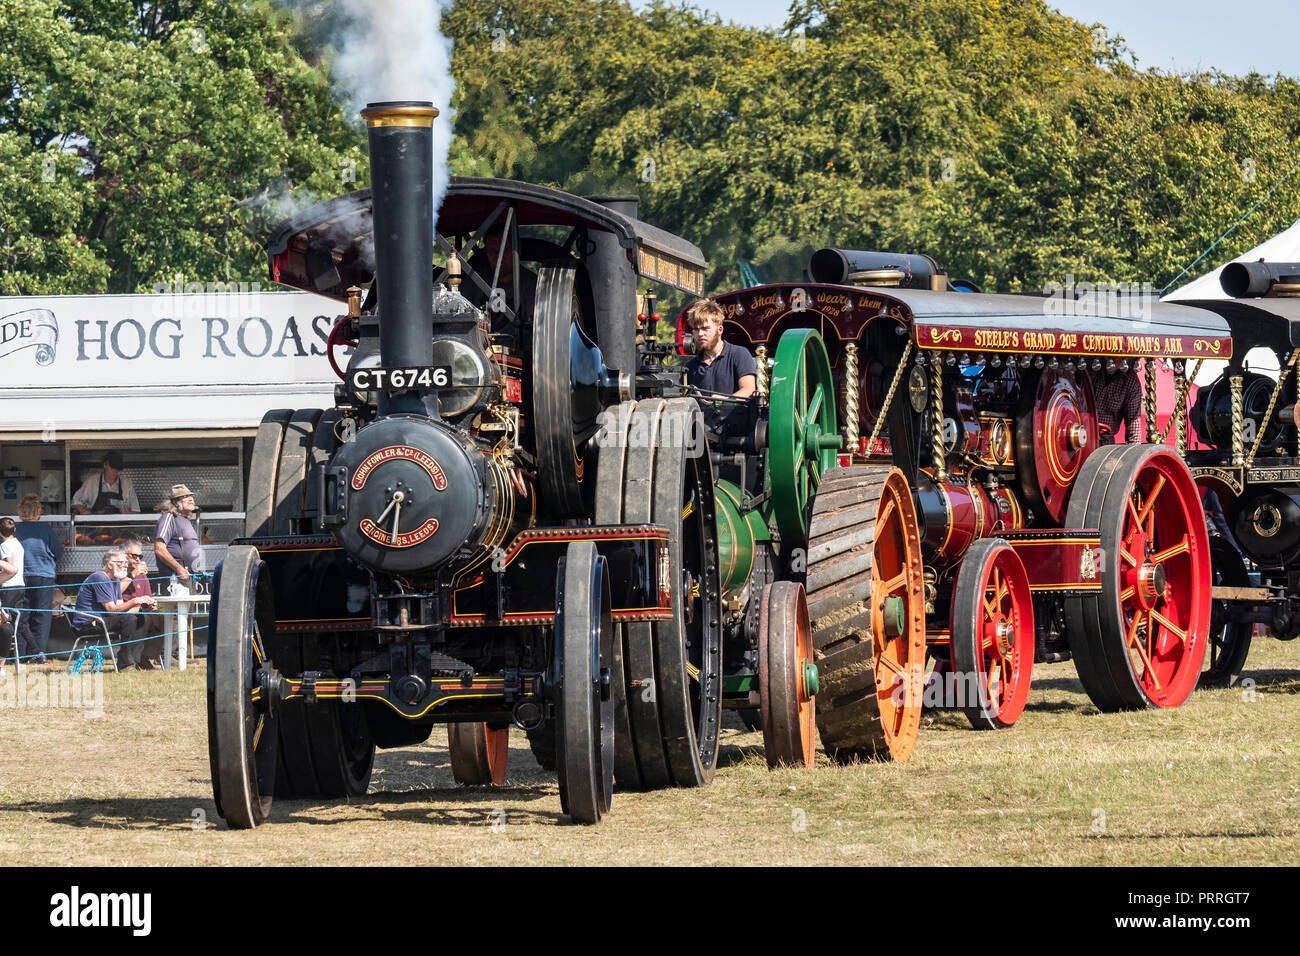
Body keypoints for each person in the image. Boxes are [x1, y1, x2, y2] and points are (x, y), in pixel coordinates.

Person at [71, 549, 156, 670]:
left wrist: (143, 607)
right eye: (121, 563)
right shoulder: (100, 578)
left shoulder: (115, 580)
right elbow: (111, 610)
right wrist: (135, 600)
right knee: (129, 620)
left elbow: (121, 609)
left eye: (126, 563)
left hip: (103, 620)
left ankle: (134, 660)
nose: (125, 566)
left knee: (144, 618)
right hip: (88, 624)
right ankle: (125, 663)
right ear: (110, 564)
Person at [15, 493, 62, 664]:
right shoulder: (45, 529)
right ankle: (38, 654)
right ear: (38, 511)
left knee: (22, 616)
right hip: (43, 576)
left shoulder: (15, 530)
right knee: (42, 617)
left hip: (20, 577)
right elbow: (58, 552)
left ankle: (20, 655)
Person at [684, 299, 757, 398]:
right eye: (696, 329)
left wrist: (724, 401)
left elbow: (748, 389)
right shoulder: (690, 366)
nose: (700, 334)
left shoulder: (739, 354)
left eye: (705, 328)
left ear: (720, 330)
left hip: (734, 413)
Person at [122, 538, 167, 665]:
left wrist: (152, 605)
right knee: (144, 619)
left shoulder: (142, 575)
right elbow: (117, 596)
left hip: (142, 610)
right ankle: (133, 658)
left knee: (161, 618)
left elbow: (148, 596)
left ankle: (146, 656)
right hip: (124, 611)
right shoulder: (120, 572)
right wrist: (133, 575)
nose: (138, 560)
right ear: (124, 556)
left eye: (140, 557)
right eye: (134, 556)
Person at [155, 484, 201, 585]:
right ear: (175, 502)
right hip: (175, 580)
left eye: (191, 496)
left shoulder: (186, 521)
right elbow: (159, 549)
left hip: (189, 579)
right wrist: (178, 569)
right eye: (185, 497)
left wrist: (194, 576)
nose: (190, 499)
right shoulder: (169, 518)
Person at [71, 451, 140, 514]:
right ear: (105, 465)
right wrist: (83, 511)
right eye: (112, 468)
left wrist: (128, 513)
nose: (114, 472)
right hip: (96, 526)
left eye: (117, 470)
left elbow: (135, 510)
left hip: (120, 527)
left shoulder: (127, 483)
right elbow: (76, 501)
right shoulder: (92, 481)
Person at [1094, 363, 1142, 445]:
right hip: (1079, 436)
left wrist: (1133, 452)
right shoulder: (1090, 371)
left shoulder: (1129, 380)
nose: (1115, 357)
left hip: (1105, 443)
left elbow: (1133, 421)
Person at [0, 517, 26, 662]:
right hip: (20, 585)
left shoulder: (4, 545)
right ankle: (33, 651)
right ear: (14, 529)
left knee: (11, 623)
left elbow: (11, 567)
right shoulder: (18, 544)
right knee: (19, 622)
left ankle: (31, 653)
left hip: (9, 585)